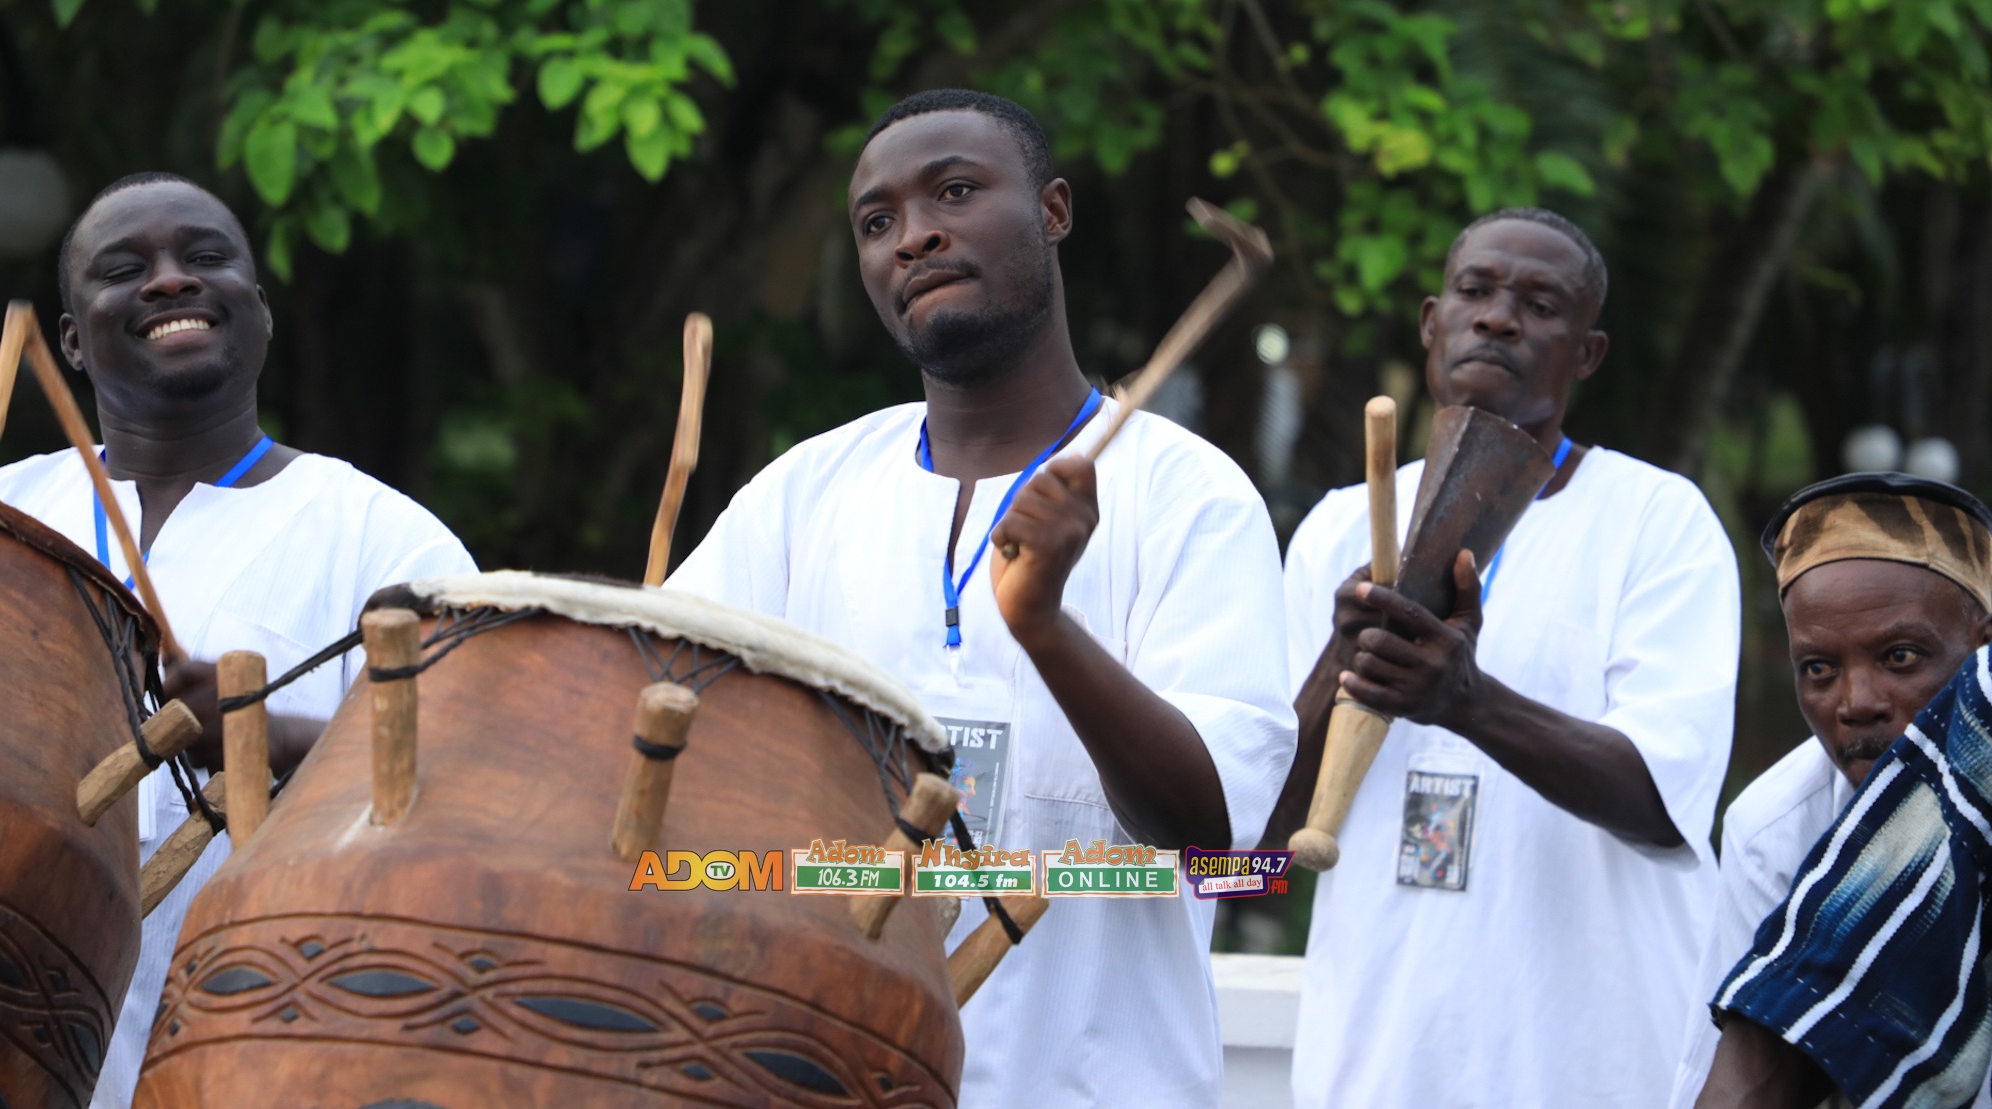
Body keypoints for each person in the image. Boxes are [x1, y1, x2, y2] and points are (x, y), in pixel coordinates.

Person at [667, 89, 1295, 1106]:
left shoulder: (1187, 494)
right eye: (877, 222)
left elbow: (1210, 836)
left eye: (953, 192)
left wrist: (1042, 629)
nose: (914, 236)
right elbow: (665, 718)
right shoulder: (804, 490)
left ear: (1052, 212)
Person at [0, 173, 476, 1108]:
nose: (168, 282)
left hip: (265, 1046)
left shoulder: (390, 542)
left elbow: (476, 799)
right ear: (71, 340)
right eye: (127, 269)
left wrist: (269, 740)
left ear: (260, 312)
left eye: (203, 259)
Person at [1267, 208, 1740, 1109]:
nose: (1497, 318)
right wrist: (1344, 655)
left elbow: (1659, 802)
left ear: (1587, 354)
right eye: (1475, 292)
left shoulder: (1658, 521)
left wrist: (1466, 702)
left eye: (1540, 303)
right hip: (1374, 1067)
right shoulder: (1338, 524)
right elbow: (1260, 831)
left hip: (1590, 1068)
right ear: (1429, 323)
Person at [1671, 474, 1992, 1109]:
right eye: (1818, 669)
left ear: (1982, 648)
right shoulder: (1772, 827)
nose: (1857, 704)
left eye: (1900, 657)